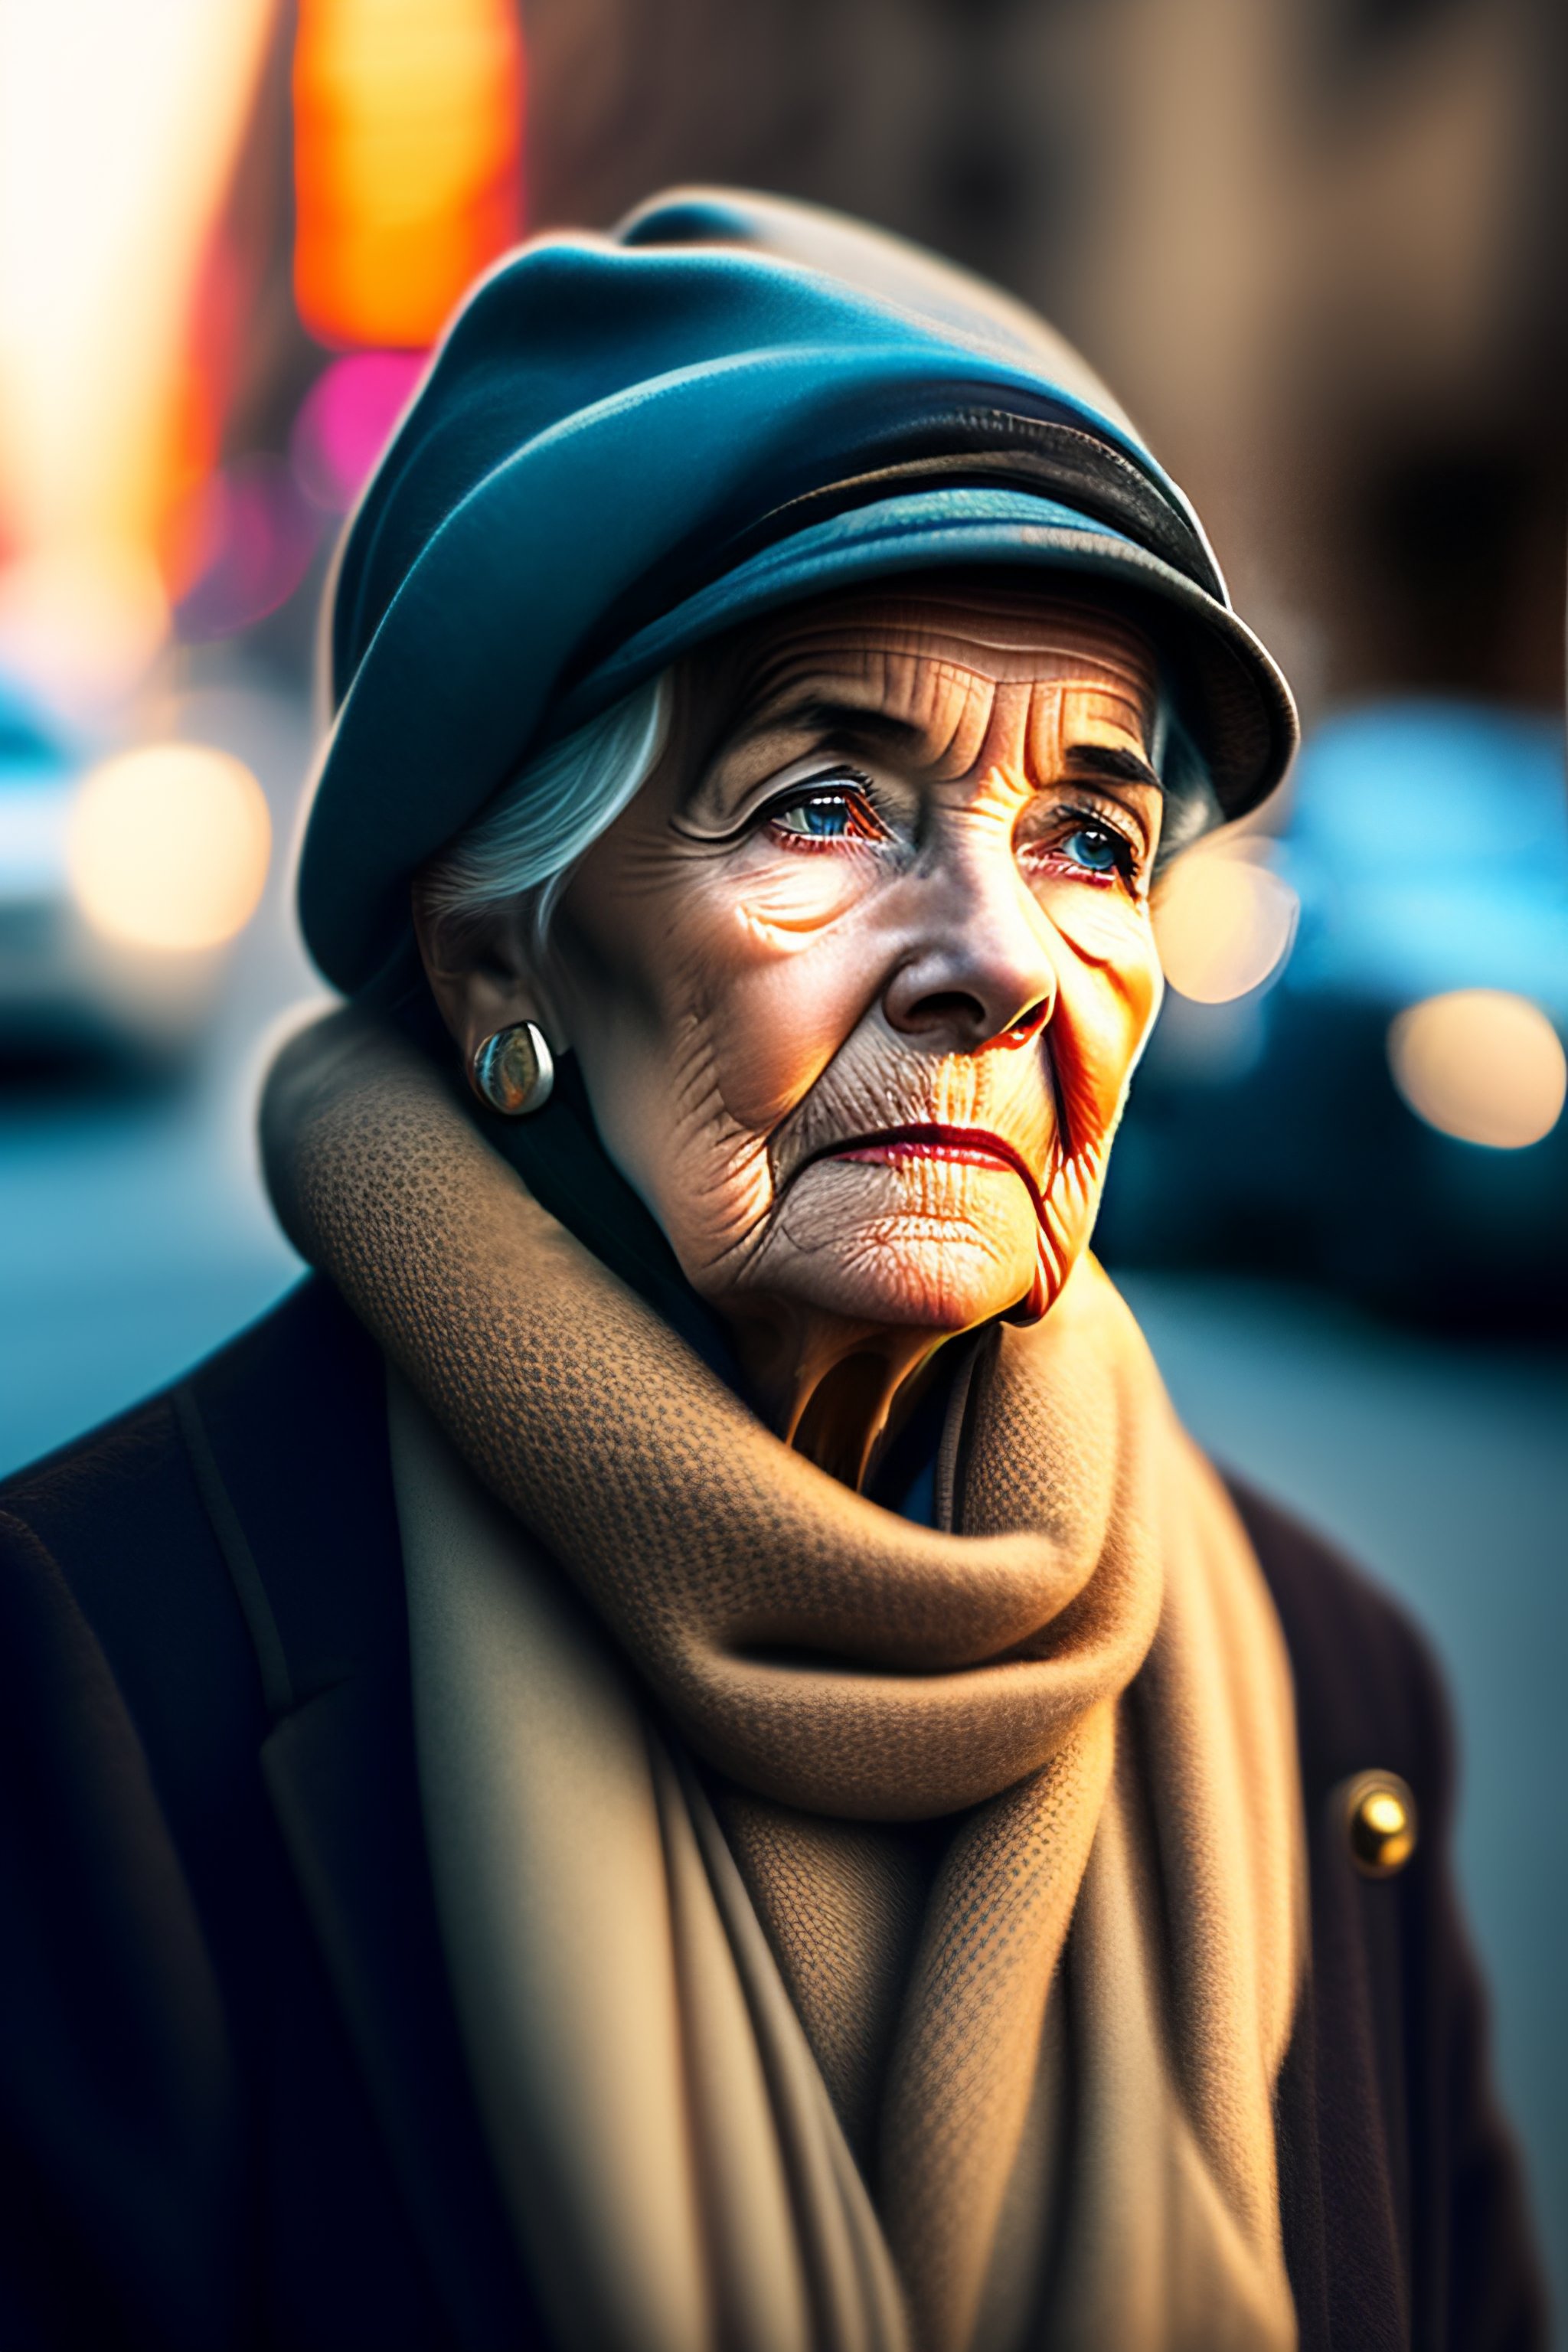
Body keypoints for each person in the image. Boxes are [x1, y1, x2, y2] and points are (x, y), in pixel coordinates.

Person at [0, 190, 1543, 2352]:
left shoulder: (1334, 1688)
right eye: (825, 803)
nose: (1003, 959)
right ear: (499, 946)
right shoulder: (85, 1693)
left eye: (1091, 839)